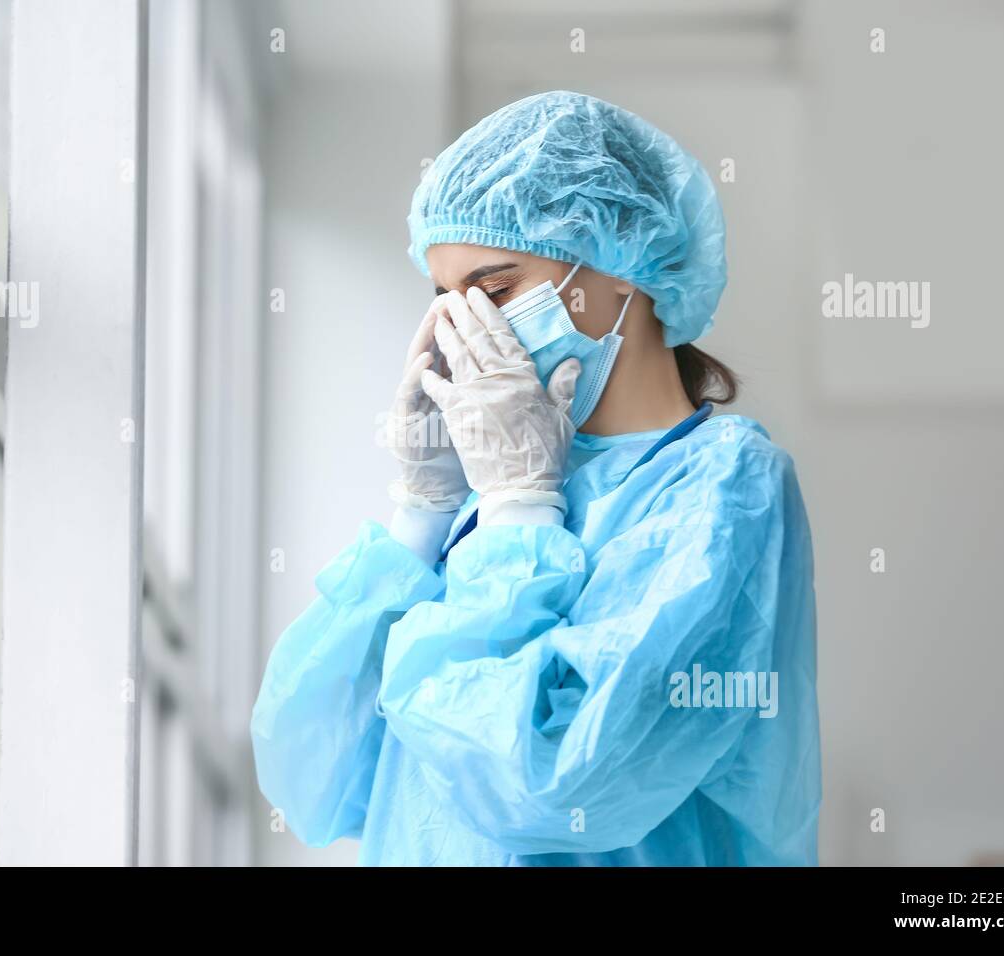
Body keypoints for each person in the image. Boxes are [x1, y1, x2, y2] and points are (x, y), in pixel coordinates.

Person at [251, 91, 820, 866]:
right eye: (445, 301)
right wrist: (424, 514)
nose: (463, 330)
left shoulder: (724, 488)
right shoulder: (478, 508)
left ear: (622, 265)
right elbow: (313, 776)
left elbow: (551, 783)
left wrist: (520, 513)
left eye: (493, 292)